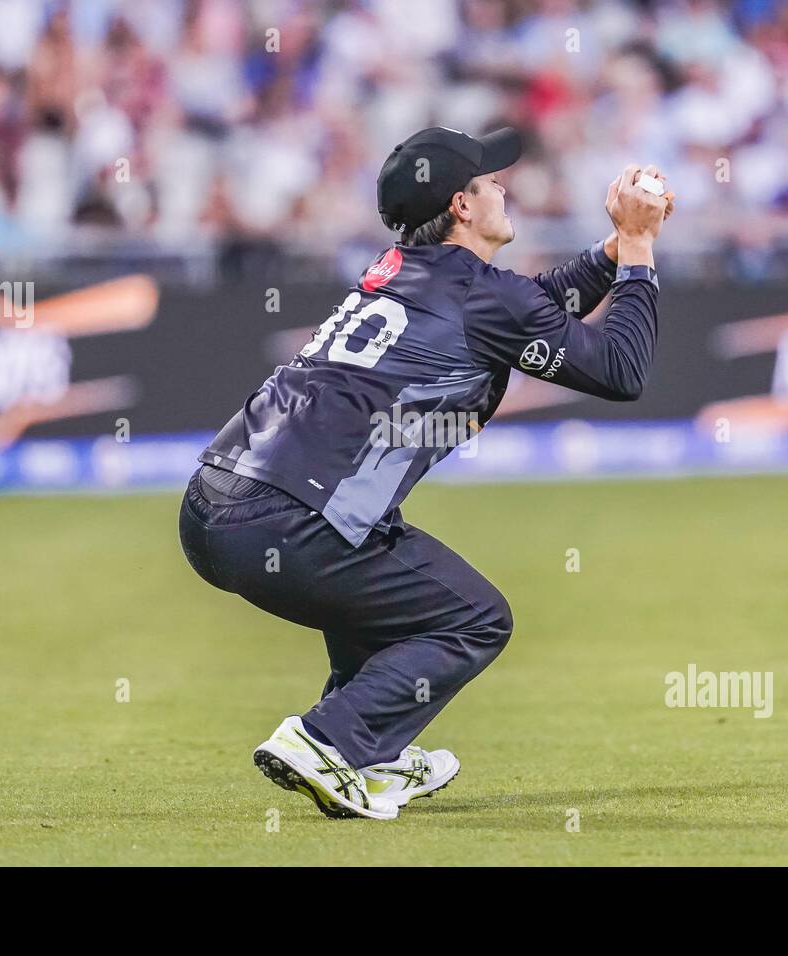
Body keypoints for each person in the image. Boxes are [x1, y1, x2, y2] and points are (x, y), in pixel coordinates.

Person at [179, 126, 674, 819]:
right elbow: (622, 371)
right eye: (489, 180)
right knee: (474, 618)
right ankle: (329, 739)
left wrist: (610, 250)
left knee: (384, 571)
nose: (503, 186)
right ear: (462, 206)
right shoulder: (482, 296)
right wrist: (641, 254)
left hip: (211, 505)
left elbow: (529, 309)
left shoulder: (400, 268)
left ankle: (367, 758)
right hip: (291, 520)